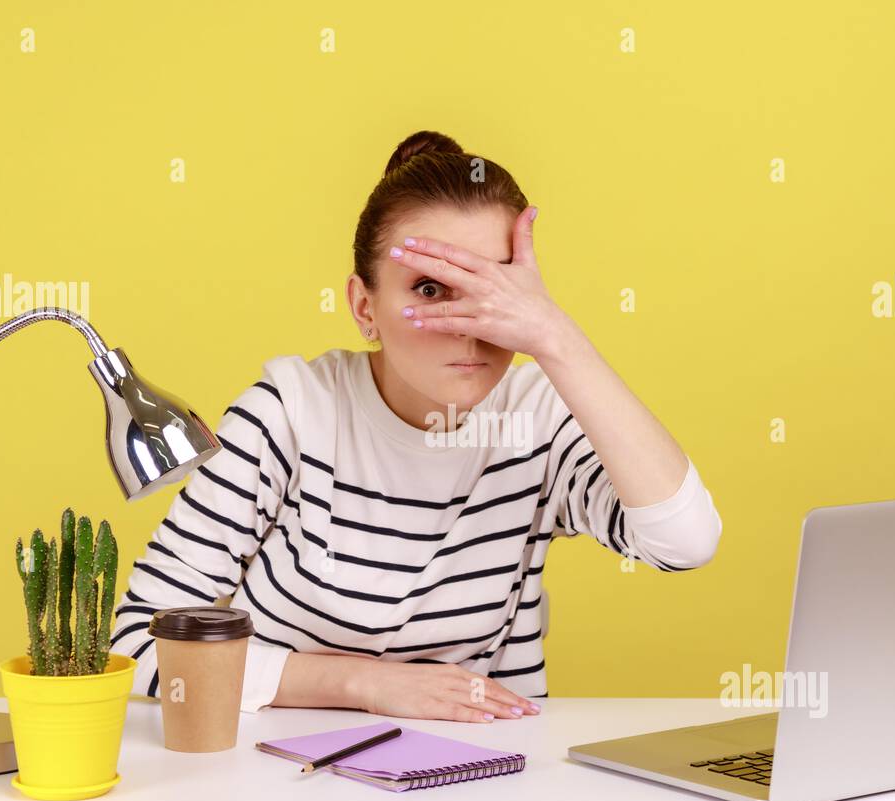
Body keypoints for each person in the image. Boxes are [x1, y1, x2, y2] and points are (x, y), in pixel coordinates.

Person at [110, 129, 722, 723]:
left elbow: (687, 542)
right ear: (364, 307)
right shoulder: (293, 410)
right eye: (431, 289)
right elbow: (135, 644)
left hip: (483, 783)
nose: (468, 323)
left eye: (494, 288)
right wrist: (365, 684)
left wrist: (557, 339)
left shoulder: (537, 416)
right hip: (284, 782)